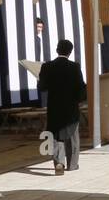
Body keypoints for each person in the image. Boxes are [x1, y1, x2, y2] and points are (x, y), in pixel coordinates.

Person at [36, 39, 86, 175]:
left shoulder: (47, 66)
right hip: (71, 106)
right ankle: (72, 164)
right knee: (73, 135)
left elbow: (42, 87)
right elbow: (81, 87)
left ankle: (59, 162)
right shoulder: (75, 67)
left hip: (54, 106)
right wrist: (80, 100)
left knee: (56, 135)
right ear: (70, 52)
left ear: (57, 50)